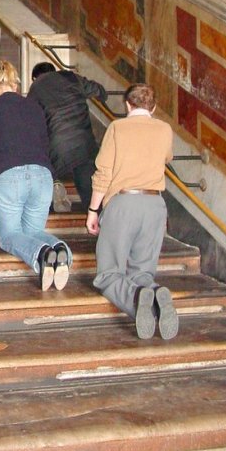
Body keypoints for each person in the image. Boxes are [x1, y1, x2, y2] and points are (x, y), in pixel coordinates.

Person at [86, 84, 177, 340]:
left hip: (123, 203)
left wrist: (93, 210)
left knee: (108, 274)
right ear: (153, 107)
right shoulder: (164, 129)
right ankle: (154, 295)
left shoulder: (118, 128)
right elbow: (167, 157)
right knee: (143, 272)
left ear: (127, 104)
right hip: (155, 205)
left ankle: (137, 298)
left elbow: (104, 173)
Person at [0, 61, 72, 291]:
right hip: (43, 175)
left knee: (9, 236)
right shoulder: (34, 107)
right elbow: (46, 143)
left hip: (8, 174)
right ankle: (61, 251)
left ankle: (42, 254)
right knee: (33, 232)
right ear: (15, 86)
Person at [28, 62, 107, 211]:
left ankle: (55, 183)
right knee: (86, 179)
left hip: (55, 143)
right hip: (84, 141)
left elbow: (31, 121)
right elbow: (97, 90)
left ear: (34, 78)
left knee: (44, 162)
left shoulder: (36, 88)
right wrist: (103, 95)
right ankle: (93, 212)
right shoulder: (70, 77)